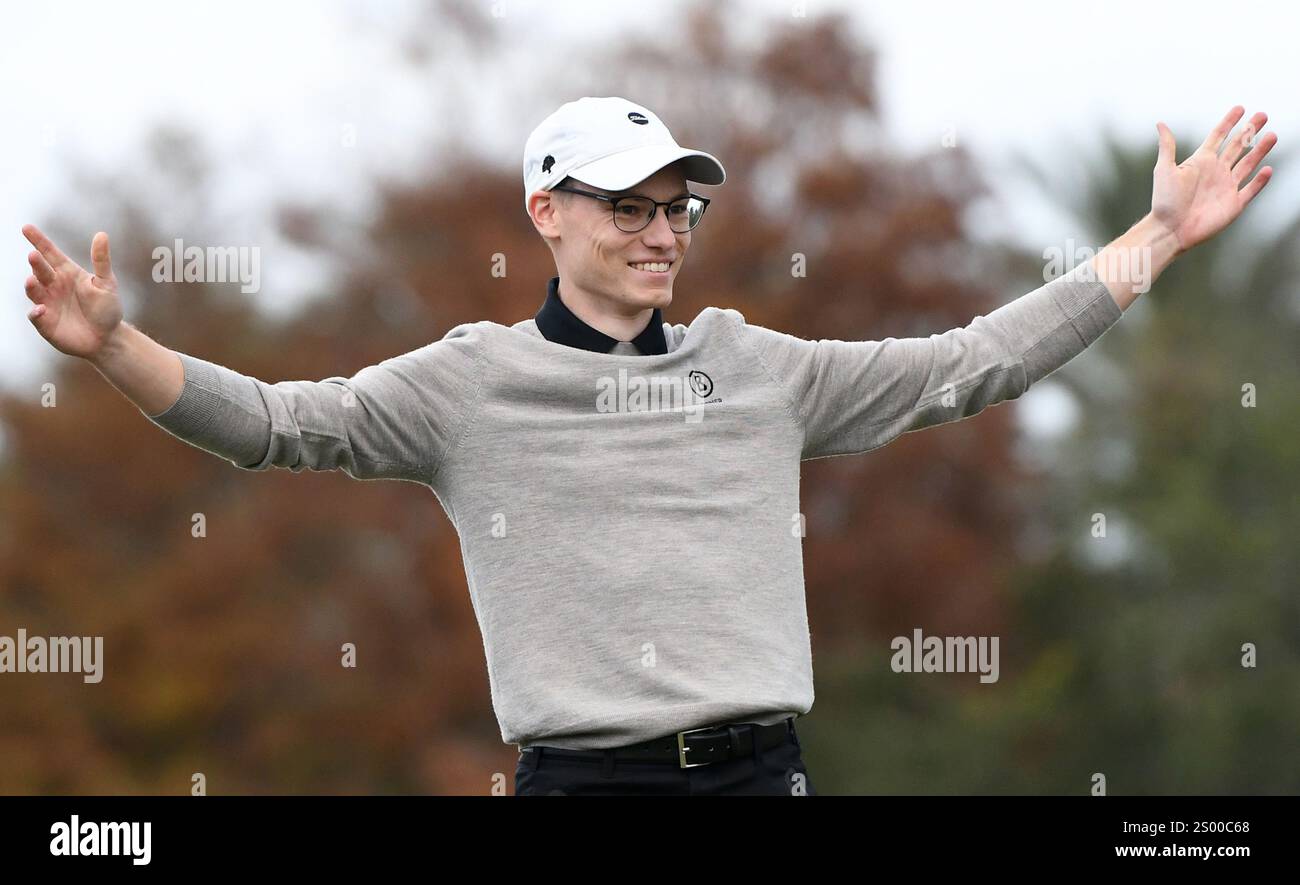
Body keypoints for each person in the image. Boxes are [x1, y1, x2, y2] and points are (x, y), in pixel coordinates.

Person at [20, 97, 1275, 796]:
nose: (663, 231)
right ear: (546, 213)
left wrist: (1152, 244)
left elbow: (966, 364)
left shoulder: (758, 368)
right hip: (580, 790)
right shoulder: (467, 385)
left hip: (757, 778)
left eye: (678, 208)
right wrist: (115, 349)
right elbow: (282, 425)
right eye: (629, 206)